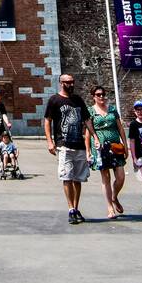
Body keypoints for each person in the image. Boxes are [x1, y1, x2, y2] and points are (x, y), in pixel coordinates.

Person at [43, 72, 97, 224]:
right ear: (61, 83)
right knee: (66, 177)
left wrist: (95, 137)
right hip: (63, 144)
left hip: (79, 144)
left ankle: (76, 207)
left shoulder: (78, 99)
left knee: (78, 179)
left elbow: (87, 119)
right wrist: (50, 141)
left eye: (72, 82)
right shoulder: (54, 100)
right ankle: (70, 209)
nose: (71, 84)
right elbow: (47, 120)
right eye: (68, 82)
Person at [87, 85, 128, 219]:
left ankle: (114, 196)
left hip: (115, 145)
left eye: (103, 94)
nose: (101, 97)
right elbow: (88, 133)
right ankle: (110, 207)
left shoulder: (112, 110)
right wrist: (88, 151)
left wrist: (125, 146)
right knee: (106, 178)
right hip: (99, 147)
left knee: (121, 176)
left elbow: (120, 128)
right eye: (98, 94)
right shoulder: (91, 111)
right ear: (93, 96)